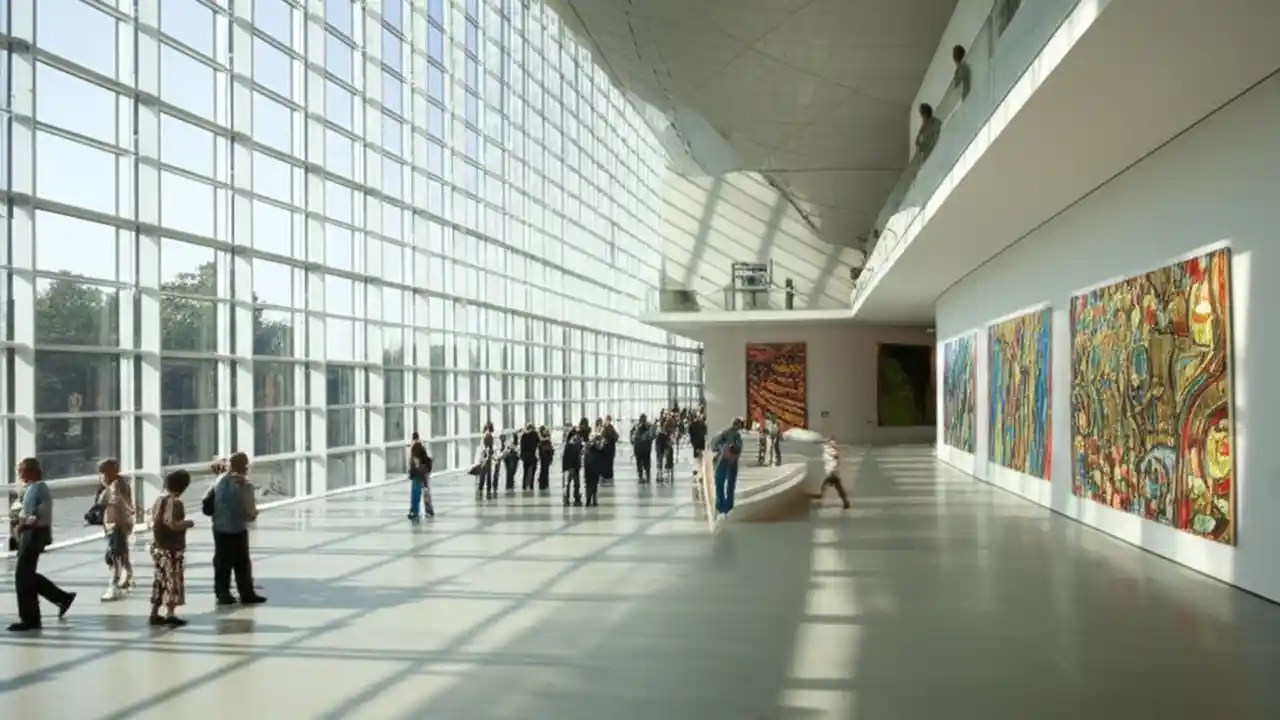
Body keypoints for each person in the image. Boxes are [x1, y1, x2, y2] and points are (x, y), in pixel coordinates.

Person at [9, 458, 76, 632]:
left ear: (31, 471)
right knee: (27, 575)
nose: (19, 474)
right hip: (32, 534)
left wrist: (24, 524)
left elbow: (38, 514)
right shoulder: (33, 488)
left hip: (33, 534)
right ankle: (61, 598)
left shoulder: (38, 489)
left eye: (21, 471)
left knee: (23, 577)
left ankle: (30, 619)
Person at [204, 452, 266, 606]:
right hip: (237, 527)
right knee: (242, 563)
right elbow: (247, 510)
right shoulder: (243, 484)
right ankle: (246, 593)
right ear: (244, 466)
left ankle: (223, 593)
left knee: (222, 563)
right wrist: (253, 514)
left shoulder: (219, 480)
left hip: (220, 527)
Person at [149, 469, 195, 627]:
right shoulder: (174, 502)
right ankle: (170, 613)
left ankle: (154, 612)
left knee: (159, 579)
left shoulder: (159, 499)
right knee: (173, 580)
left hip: (159, 547)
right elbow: (171, 522)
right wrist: (187, 524)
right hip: (172, 548)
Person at [98, 458, 136, 601]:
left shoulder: (116, 486)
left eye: (104, 472)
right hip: (117, 525)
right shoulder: (119, 484)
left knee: (114, 556)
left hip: (117, 525)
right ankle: (128, 577)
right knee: (122, 553)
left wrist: (107, 490)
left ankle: (113, 586)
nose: (102, 476)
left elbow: (111, 502)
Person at [710, 418, 746, 522]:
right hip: (730, 460)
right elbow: (738, 449)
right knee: (729, 484)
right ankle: (727, 507)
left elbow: (714, 444)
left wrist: (719, 450)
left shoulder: (725, 433)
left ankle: (721, 506)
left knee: (721, 483)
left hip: (725, 459)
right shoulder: (733, 435)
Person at [816, 436, 851, 509]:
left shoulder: (828, 450)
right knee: (838, 488)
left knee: (823, 489)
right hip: (831, 472)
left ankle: (845, 502)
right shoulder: (831, 450)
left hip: (829, 473)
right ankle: (845, 502)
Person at [408, 432, 434, 519]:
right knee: (426, 492)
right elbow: (429, 459)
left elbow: (414, 462)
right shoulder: (423, 445)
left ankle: (414, 511)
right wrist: (428, 470)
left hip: (417, 473)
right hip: (424, 472)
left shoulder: (415, 446)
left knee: (416, 493)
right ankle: (429, 510)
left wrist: (411, 474)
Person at [561, 428, 584, 506]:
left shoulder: (568, 445)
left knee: (567, 484)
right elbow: (578, 454)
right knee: (576, 484)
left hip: (568, 467)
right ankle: (576, 498)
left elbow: (565, 457)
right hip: (574, 466)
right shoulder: (575, 444)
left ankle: (566, 499)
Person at [582, 431, 605, 507]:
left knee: (589, 483)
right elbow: (601, 449)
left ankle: (589, 500)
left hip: (589, 467)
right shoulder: (596, 446)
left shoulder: (587, 445)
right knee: (594, 483)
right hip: (594, 467)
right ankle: (593, 500)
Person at [630, 413, 654, 483]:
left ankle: (641, 477)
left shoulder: (636, 426)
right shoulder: (648, 426)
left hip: (639, 447)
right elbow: (652, 436)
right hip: (645, 447)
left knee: (640, 462)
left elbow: (632, 434)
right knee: (646, 462)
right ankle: (647, 477)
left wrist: (632, 441)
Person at [519, 423, 539, 491]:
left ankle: (524, 486)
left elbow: (521, 446)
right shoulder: (535, 434)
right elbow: (538, 443)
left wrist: (521, 455)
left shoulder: (523, 435)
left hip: (525, 456)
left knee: (525, 471)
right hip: (532, 455)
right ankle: (531, 485)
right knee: (533, 472)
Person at [600, 415, 619, 484]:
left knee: (608, 463)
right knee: (607, 463)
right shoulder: (606, 427)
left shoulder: (610, 428)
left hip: (608, 448)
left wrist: (609, 440)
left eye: (608, 420)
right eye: (606, 420)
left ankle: (607, 476)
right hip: (607, 448)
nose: (607, 421)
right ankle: (607, 476)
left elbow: (615, 436)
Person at [537, 425, 555, 490]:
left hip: (547, 454)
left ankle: (545, 482)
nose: (545, 431)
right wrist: (546, 438)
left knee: (546, 469)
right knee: (543, 468)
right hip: (543, 454)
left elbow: (550, 444)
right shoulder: (540, 436)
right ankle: (542, 482)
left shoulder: (547, 435)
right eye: (544, 430)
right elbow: (540, 441)